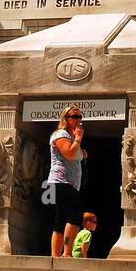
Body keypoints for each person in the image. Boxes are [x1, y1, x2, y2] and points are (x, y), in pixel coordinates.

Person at [47, 104, 85, 257]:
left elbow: (76, 154)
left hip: (70, 183)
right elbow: (69, 154)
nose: (78, 119)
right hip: (61, 181)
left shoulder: (70, 137)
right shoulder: (60, 134)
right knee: (75, 215)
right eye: (75, 116)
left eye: (80, 116)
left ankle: (55, 256)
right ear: (66, 119)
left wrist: (81, 150)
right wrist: (78, 139)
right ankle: (67, 253)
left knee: (61, 218)